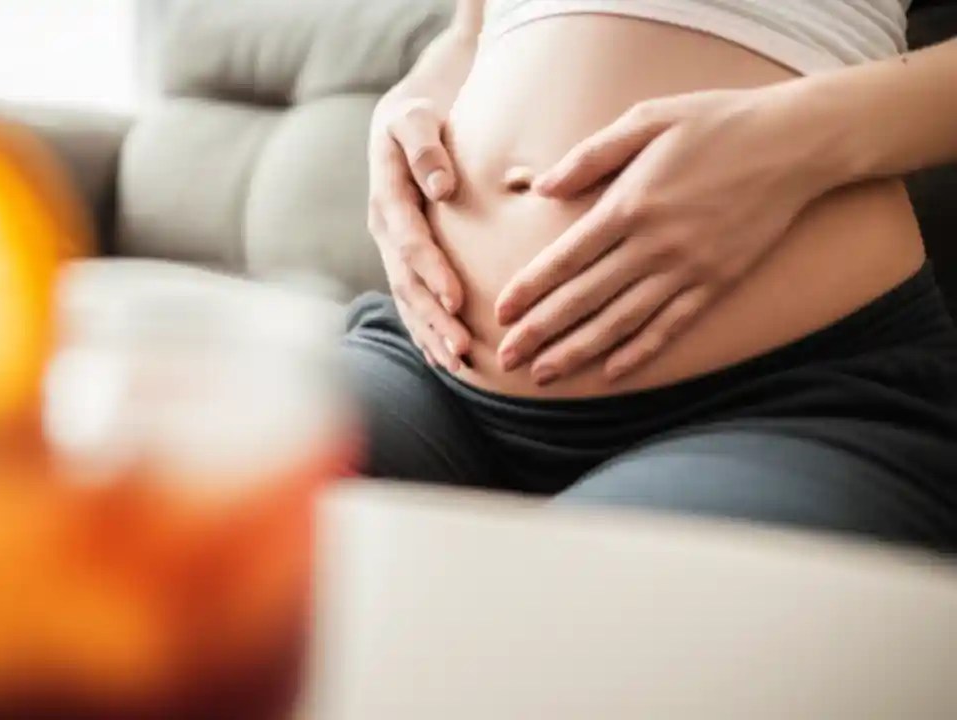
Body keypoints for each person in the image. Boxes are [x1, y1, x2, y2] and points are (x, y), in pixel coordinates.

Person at [345, 0, 957, 550]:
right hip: (431, 361)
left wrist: (790, 138)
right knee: (255, 482)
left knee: (569, 642)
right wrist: (410, 102)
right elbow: (471, 31)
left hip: (795, 402)